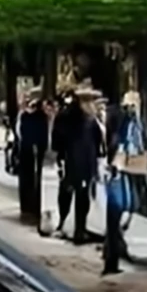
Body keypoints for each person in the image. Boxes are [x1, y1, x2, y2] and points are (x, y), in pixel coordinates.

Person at [103, 91, 147, 274]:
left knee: (122, 211)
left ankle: (113, 253)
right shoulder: (125, 119)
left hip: (125, 170)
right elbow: (122, 142)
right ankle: (111, 257)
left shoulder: (133, 120)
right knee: (118, 211)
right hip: (121, 170)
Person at [52, 89, 104, 243]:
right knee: (82, 197)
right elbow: (98, 143)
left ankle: (63, 223)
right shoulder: (88, 120)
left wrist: (59, 157)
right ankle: (79, 229)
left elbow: (56, 140)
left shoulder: (64, 116)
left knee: (66, 194)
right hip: (83, 163)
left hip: (68, 162)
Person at [16, 87, 48, 225]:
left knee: (27, 179)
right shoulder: (40, 117)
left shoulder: (25, 116)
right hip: (36, 150)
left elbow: (19, 133)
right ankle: (33, 206)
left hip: (27, 149)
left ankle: (28, 206)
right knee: (34, 178)